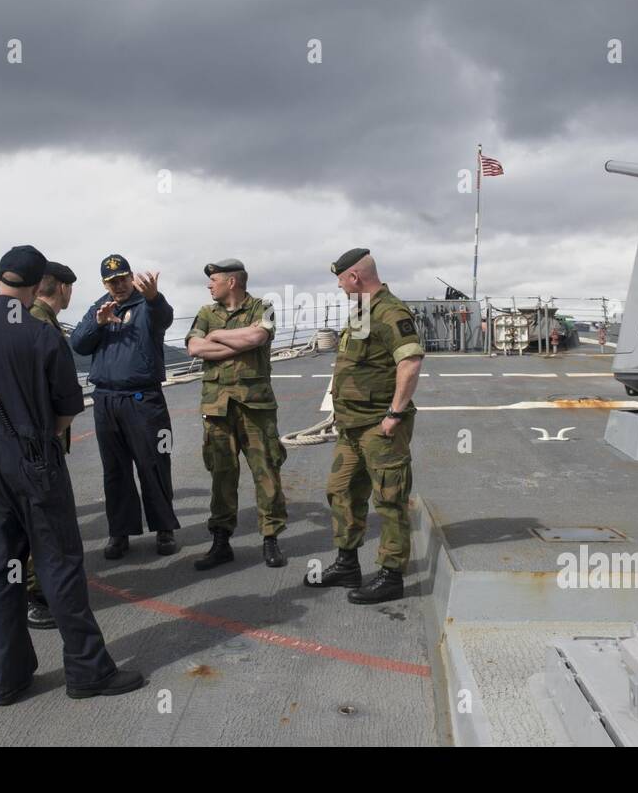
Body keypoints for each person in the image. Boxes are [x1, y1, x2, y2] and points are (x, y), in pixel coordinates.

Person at [0, 245, 142, 704]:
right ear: (40, 285)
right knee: (58, 562)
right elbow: (66, 409)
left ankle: (8, 677)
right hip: (31, 455)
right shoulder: (41, 334)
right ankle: (87, 669)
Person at [304, 249, 424, 604]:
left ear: (354, 277)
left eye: (340, 279)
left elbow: (411, 361)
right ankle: (347, 564)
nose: (339, 286)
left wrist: (394, 414)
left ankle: (391, 575)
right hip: (351, 427)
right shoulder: (362, 313)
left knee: (389, 499)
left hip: (378, 426)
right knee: (340, 491)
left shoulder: (390, 311)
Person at [70, 254, 179, 559]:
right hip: (105, 399)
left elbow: (165, 318)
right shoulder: (99, 307)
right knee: (115, 471)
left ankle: (164, 529)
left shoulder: (149, 304)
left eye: (122, 279)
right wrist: (98, 323)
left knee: (154, 465)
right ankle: (120, 532)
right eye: (111, 281)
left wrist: (154, 296)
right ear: (104, 282)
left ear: (131, 278)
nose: (117, 285)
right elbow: (77, 344)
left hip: (143, 399)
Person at [185, 259, 288, 570]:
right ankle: (221, 542)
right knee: (221, 474)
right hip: (217, 406)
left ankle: (271, 538)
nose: (208, 285)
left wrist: (216, 337)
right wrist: (234, 344)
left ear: (232, 282)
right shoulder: (205, 313)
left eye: (213, 279)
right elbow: (194, 348)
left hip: (255, 406)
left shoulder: (264, 307)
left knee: (266, 471)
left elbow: (258, 338)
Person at [22, 260, 78, 629]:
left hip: (32, 437)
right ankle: (38, 595)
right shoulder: (42, 326)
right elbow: (59, 391)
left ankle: (38, 589)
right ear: (60, 287)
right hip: (40, 438)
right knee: (42, 519)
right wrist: (56, 429)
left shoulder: (35, 320)